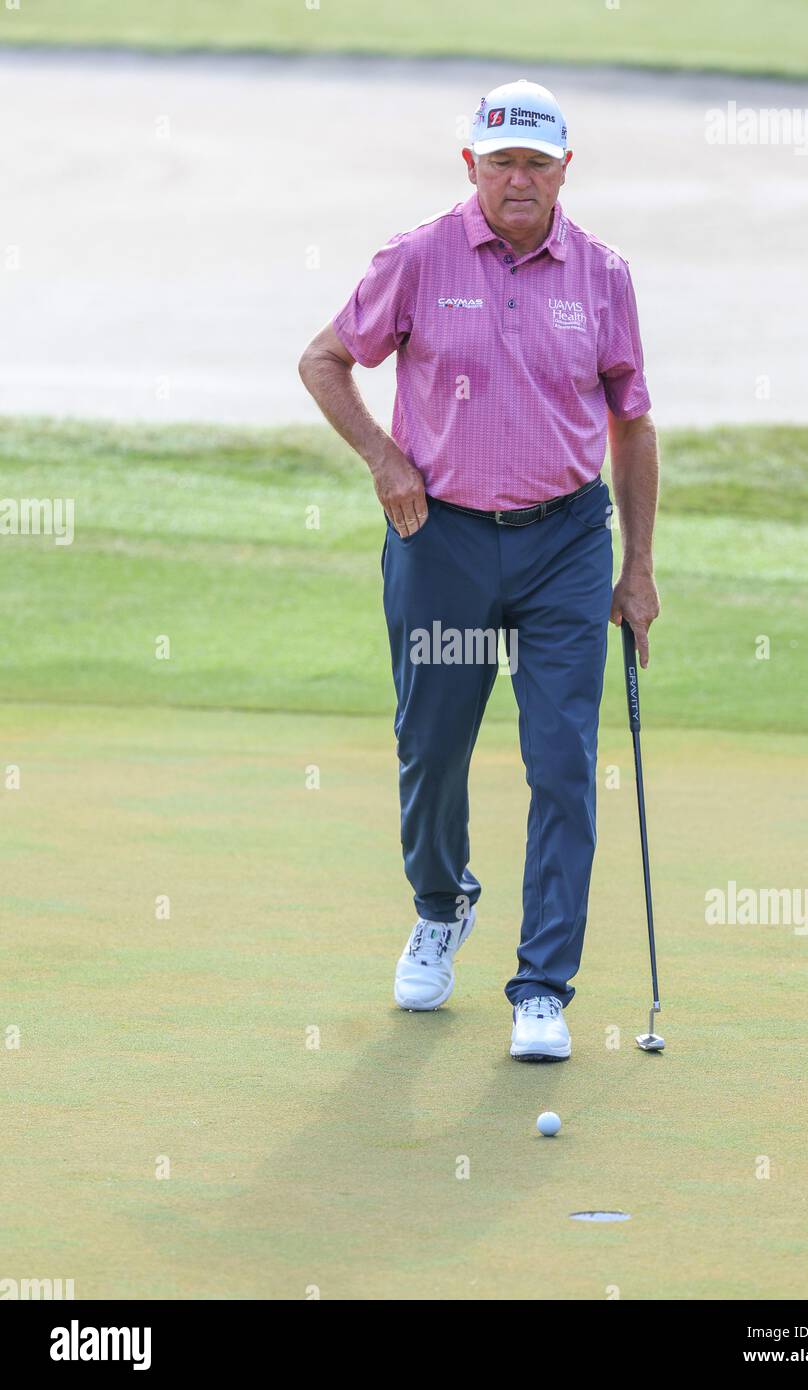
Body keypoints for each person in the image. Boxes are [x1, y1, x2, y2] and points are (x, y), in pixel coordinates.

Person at [298, 79, 660, 1062]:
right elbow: (324, 359)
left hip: (565, 546)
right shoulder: (418, 257)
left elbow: (631, 421)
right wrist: (385, 458)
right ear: (471, 165)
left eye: (536, 163)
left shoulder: (603, 275)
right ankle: (441, 900)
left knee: (562, 763)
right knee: (432, 746)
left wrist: (637, 568)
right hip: (443, 539)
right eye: (500, 161)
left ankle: (541, 987)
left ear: (563, 172)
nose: (517, 179)